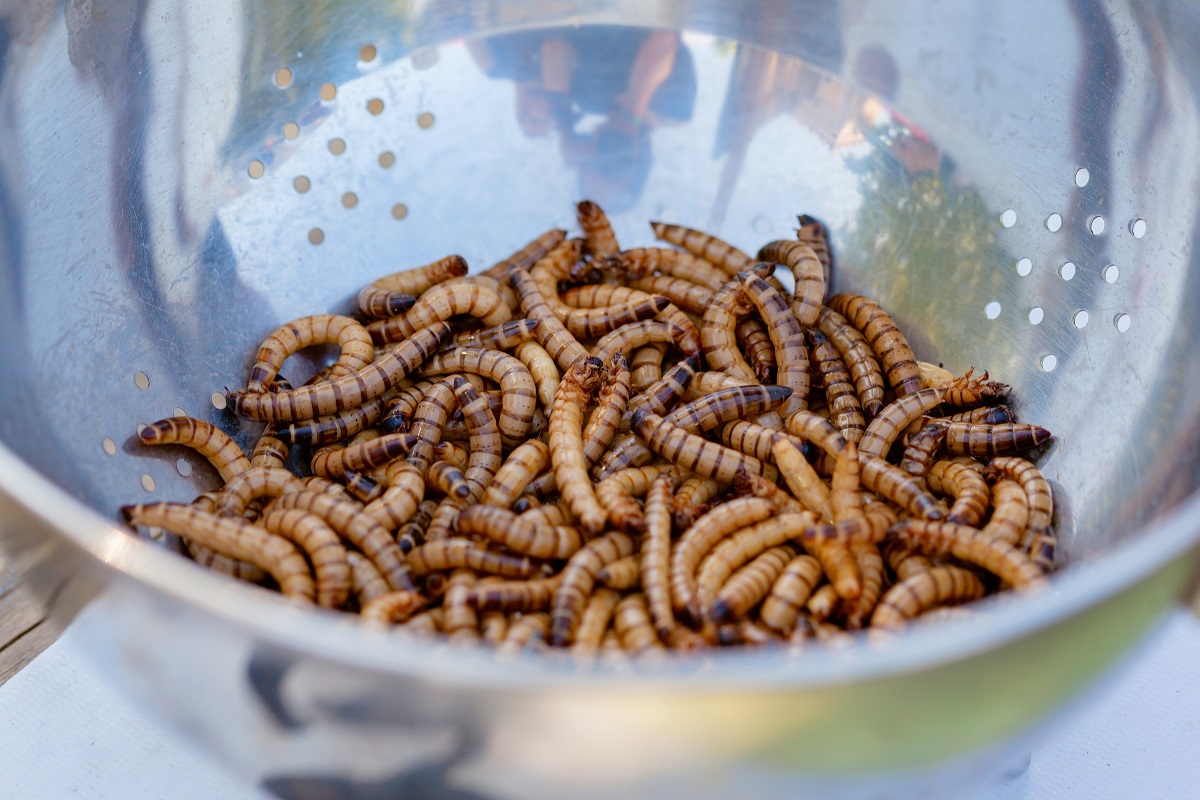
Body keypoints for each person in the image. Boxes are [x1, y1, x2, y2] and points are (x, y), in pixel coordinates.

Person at [468, 26, 696, 212]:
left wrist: (565, 127)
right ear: (639, 163)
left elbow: (553, 49)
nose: (603, 154)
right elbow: (665, 34)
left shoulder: (589, 101)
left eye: (590, 163)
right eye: (612, 166)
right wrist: (633, 113)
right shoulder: (674, 112)